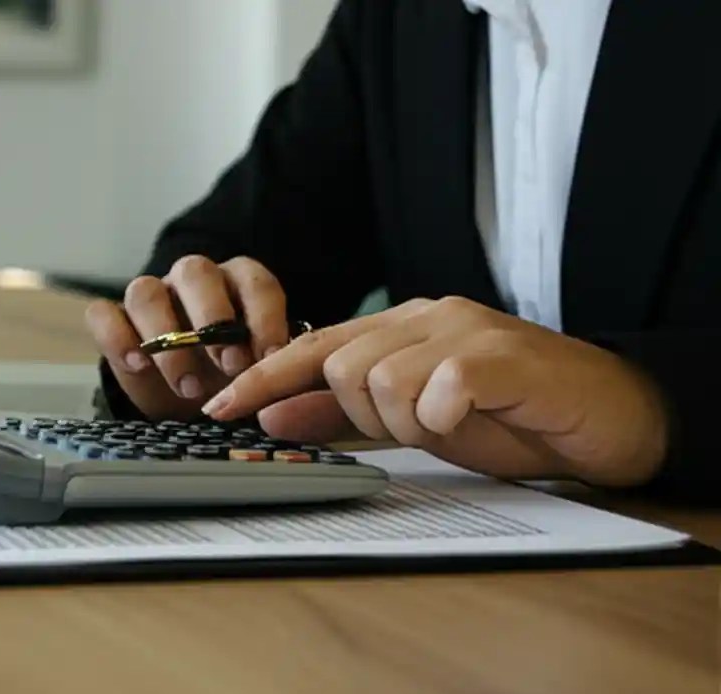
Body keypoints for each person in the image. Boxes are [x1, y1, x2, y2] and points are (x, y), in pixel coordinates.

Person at [84, 0, 721, 503]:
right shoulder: (400, 18)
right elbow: (240, 245)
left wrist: (652, 411)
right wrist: (183, 351)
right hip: (478, 586)